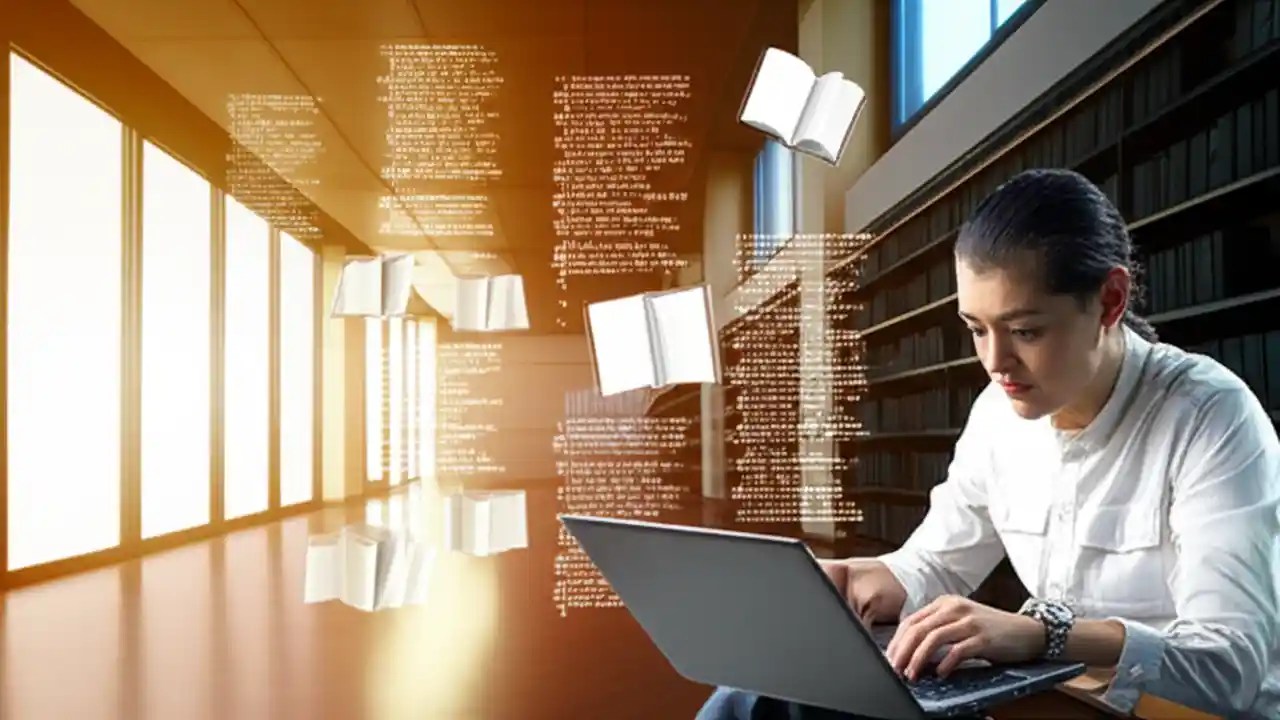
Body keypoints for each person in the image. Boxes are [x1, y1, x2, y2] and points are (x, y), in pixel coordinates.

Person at [697, 168, 1280, 720]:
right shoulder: (997, 415)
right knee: (765, 694)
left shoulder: (1209, 415)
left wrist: (1042, 635)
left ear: (1110, 301)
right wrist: (857, 579)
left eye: (1025, 330)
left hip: (1179, 714)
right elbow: (935, 562)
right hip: (1062, 706)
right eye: (977, 328)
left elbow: (1229, 666)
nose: (996, 362)